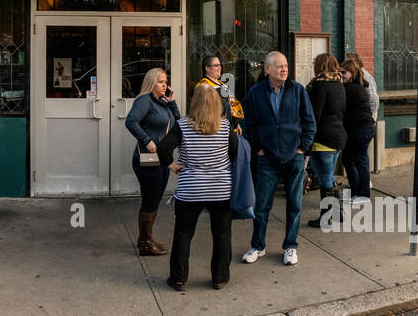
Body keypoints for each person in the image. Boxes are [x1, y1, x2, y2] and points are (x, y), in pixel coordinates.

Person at [240, 51, 316, 266]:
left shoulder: (298, 90)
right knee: (262, 205)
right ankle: (258, 246)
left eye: (285, 65)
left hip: (294, 157)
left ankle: (290, 246)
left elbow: (309, 121)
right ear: (267, 70)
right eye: (278, 66)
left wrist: (303, 148)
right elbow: (248, 124)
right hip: (267, 158)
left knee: (295, 204)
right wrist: (258, 149)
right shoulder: (256, 93)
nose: (284, 69)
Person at [166, 85, 237, 291]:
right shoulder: (225, 127)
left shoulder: (183, 126)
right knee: (222, 233)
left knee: (184, 234)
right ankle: (220, 278)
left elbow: (163, 148)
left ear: (194, 103)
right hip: (220, 190)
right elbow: (235, 153)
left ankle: (178, 279)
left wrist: (172, 165)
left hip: (191, 190)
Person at [124, 67, 179, 256]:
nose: (165, 85)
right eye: (161, 81)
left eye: (166, 81)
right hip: (147, 159)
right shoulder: (144, 100)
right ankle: (145, 243)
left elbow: (177, 122)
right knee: (150, 200)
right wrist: (146, 140)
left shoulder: (162, 102)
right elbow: (130, 121)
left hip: (160, 159)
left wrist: (172, 103)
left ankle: (145, 239)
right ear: (151, 82)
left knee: (154, 199)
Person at [305, 53, 347, 226]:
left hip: (323, 139)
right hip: (338, 137)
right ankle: (337, 213)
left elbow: (314, 116)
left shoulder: (319, 87)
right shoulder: (339, 85)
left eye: (315, 63)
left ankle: (326, 217)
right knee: (328, 177)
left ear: (320, 66)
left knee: (324, 179)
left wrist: (306, 143)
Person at [341, 55, 376, 206]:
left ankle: (363, 194)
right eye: (340, 72)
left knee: (359, 160)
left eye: (344, 73)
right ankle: (356, 193)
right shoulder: (357, 86)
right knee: (348, 159)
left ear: (352, 73)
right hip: (360, 128)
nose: (341, 76)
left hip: (361, 129)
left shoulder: (352, 88)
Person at [195, 54, 244, 130]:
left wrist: (236, 123)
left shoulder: (222, 83)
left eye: (220, 65)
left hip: (229, 126)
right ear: (207, 68)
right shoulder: (203, 86)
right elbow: (204, 110)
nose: (219, 67)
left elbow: (230, 102)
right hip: (215, 128)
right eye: (216, 65)